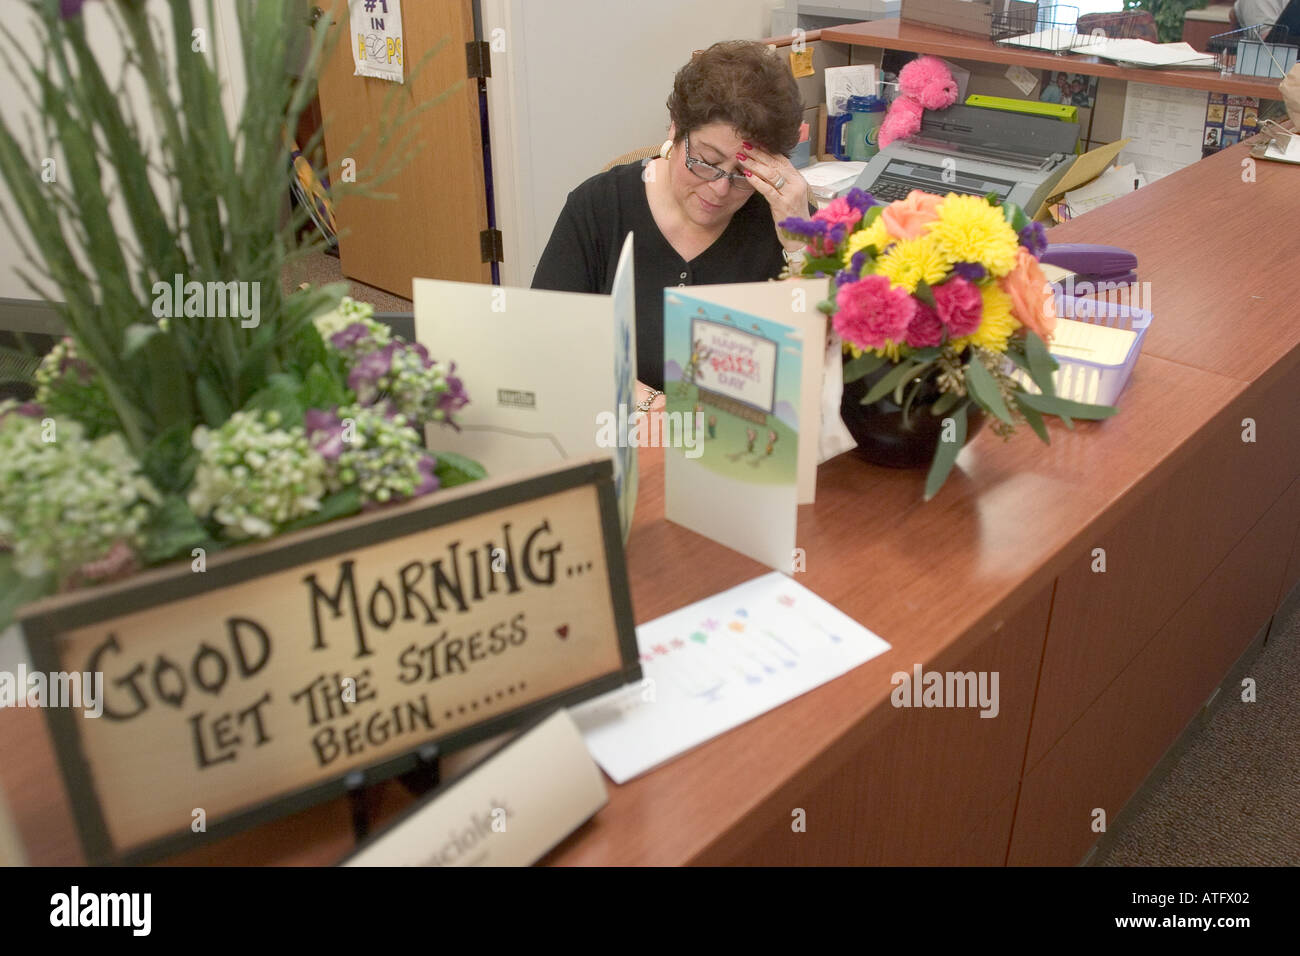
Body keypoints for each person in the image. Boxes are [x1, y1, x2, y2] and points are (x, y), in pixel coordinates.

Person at [531, 41, 809, 408]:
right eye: (707, 160)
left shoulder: (775, 217)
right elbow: (547, 338)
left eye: (745, 173)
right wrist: (646, 403)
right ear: (675, 130)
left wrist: (803, 241)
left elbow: (817, 367)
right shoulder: (598, 207)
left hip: (739, 444)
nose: (720, 188)